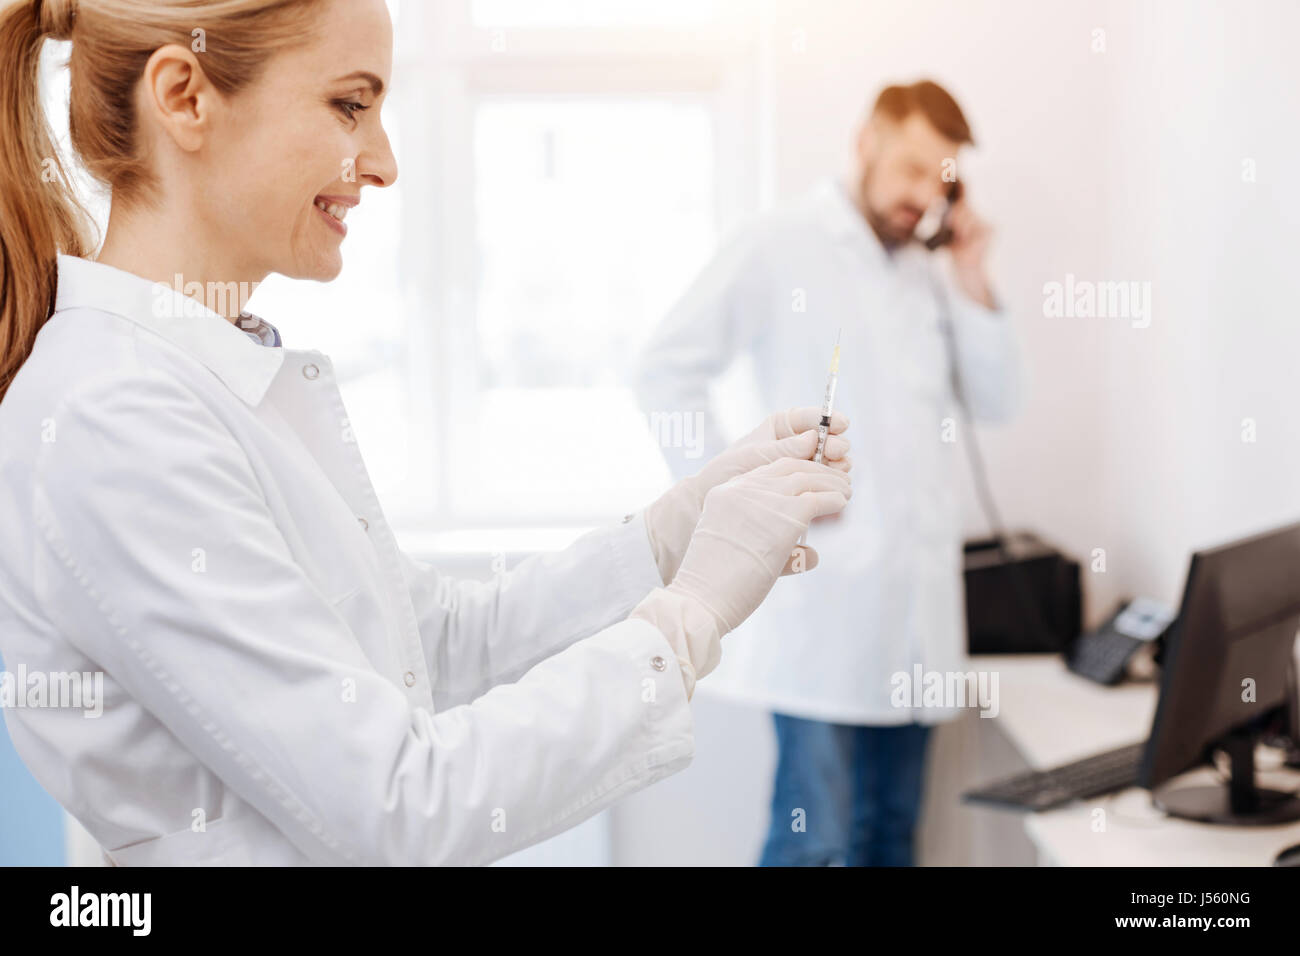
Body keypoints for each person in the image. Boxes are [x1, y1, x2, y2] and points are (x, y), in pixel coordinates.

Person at [0, 0, 851, 866]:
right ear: (184, 96)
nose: (384, 161)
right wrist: (691, 614)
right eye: (349, 105)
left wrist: (676, 535)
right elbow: (399, 807)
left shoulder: (204, 379)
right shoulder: (114, 417)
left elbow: (431, 648)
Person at [635, 80, 1021, 866]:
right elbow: (664, 367)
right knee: (816, 842)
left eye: (940, 180)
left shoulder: (925, 274)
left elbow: (998, 399)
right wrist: (740, 499)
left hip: (918, 617)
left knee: (890, 840)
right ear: (866, 144)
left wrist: (972, 272)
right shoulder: (781, 242)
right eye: (911, 168)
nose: (923, 195)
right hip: (828, 615)